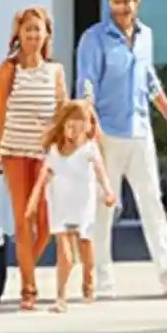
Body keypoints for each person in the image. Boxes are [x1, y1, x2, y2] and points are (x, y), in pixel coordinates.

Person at [76, 0, 167, 297]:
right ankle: (102, 280)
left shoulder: (145, 36)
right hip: (106, 134)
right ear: (109, 2)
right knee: (105, 208)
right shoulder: (94, 38)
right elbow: (86, 82)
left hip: (140, 131)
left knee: (152, 202)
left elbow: (149, 80)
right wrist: (88, 118)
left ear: (137, 2)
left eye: (128, 1)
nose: (123, 7)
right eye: (117, 1)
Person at [0, 5, 68, 311]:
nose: (33, 35)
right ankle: (28, 288)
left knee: (47, 223)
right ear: (19, 35)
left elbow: (62, 113)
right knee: (24, 219)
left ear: (47, 34)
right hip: (14, 152)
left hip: (45, 154)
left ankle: (26, 269)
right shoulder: (9, 70)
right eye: (28, 29)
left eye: (38, 29)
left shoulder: (55, 71)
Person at [26, 99, 117, 313]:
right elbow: (44, 177)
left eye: (79, 125)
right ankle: (61, 297)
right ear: (63, 126)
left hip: (82, 204)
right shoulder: (55, 151)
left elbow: (100, 172)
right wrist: (32, 202)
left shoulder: (89, 149)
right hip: (59, 204)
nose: (73, 131)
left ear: (88, 127)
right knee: (64, 250)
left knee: (85, 244)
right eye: (69, 125)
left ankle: (89, 279)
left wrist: (108, 191)